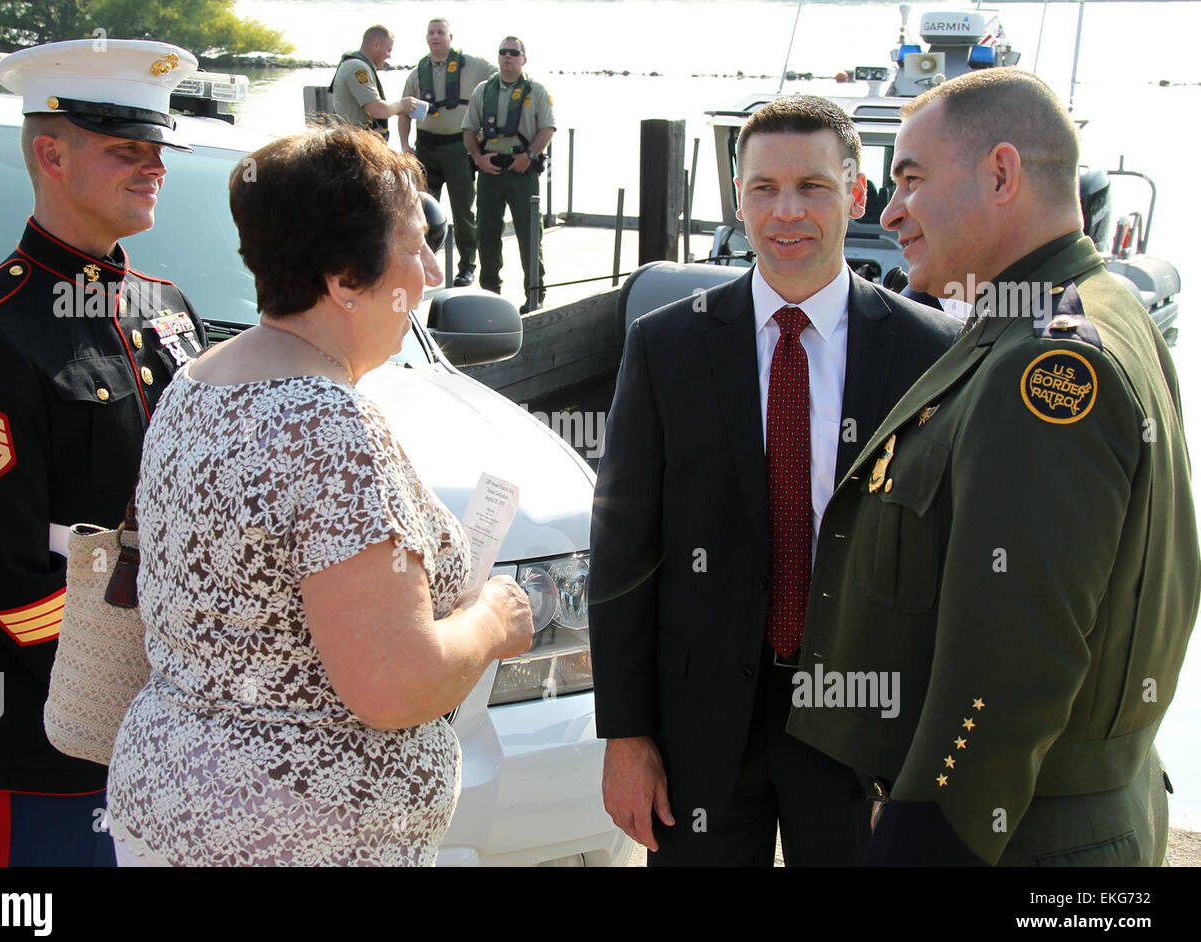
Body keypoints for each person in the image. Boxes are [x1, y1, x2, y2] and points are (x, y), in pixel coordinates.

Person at [786, 68, 1197, 866]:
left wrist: (924, 835)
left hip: (1021, 836)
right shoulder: (1093, 310)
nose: (889, 210)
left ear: (1001, 174)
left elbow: (1015, 661)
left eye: (910, 179)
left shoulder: (1043, 367)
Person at [104, 127, 534, 866]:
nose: (432, 272)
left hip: (169, 805)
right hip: (294, 839)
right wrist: (494, 619)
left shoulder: (196, 383)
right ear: (343, 277)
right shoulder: (324, 421)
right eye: (415, 244)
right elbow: (395, 683)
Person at [588, 96, 960, 866]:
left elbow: (954, 558)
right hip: (699, 723)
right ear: (737, 197)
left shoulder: (931, 353)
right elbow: (623, 551)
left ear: (855, 195)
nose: (786, 213)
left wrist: (935, 752)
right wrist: (625, 737)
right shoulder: (666, 347)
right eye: (764, 189)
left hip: (863, 723)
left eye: (813, 187)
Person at [0, 39, 207, 867]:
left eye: (157, 152)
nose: (153, 168)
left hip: (169, 703)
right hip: (52, 718)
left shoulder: (167, 307)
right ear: (51, 152)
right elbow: (9, 573)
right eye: (126, 150)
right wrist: (121, 690)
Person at [398, 18, 497, 287]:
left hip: (457, 147)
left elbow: (500, 79)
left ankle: (467, 266)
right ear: (426, 38)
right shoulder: (418, 72)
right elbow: (405, 112)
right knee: (420, 209)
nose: (436, 37)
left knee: (463, 209)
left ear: (450, 36)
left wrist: (485, 126)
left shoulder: (471, 65)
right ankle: (421, 264)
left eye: (440, 32)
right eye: (431, 33)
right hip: (426, 148)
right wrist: (405, 145)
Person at [462, 37, 555, 311]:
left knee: (530, 233)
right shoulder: (483, 90)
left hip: (522, 172)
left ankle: (534, 295)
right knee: (487, 232)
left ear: (523, 59)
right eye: (503, 52)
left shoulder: (536, 91)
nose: (507, 56)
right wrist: (478, 159)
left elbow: (547, 129)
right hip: (491, 171)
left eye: (514, 53)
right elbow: (468, 130)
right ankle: (491, 294)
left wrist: (529, 157)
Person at [329, 24, 425, 140]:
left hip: (353, 139)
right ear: (376, 45)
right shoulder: (358, 68)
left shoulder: (354, 64)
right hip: (356, 143)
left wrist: (397, 110)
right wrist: (401, 105)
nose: (389, 56)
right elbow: (377, 110)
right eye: (388, 50)